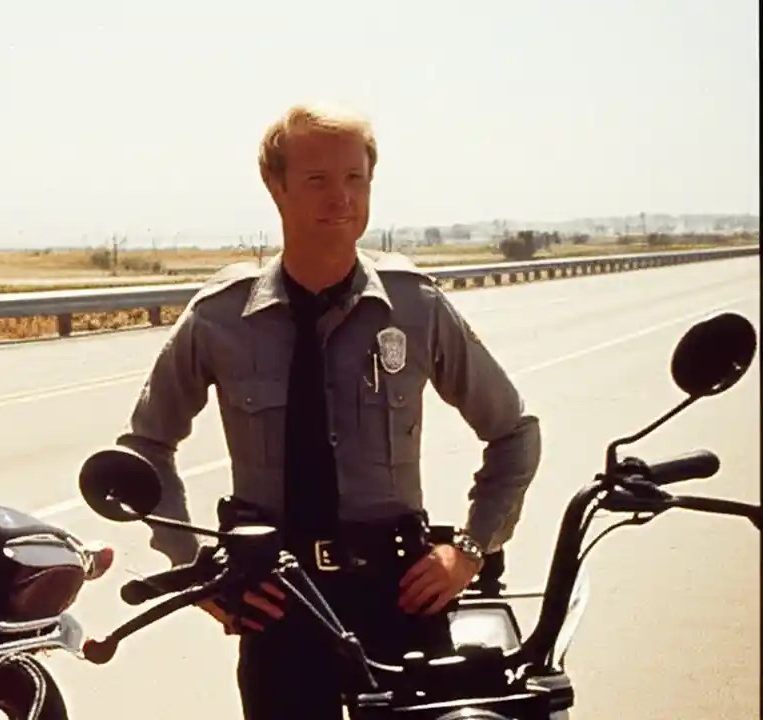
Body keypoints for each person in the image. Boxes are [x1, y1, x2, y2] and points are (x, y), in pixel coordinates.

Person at [112, 104, 541, 717]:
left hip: (400, 598)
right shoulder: (219, 318)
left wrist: (468, 550)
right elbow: (144, 449)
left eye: (355, 178)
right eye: (317, 179)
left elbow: (514, 432)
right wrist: (193, 568)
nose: (340, 197)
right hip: (276, 599)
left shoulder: (414, 308)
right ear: (276, 186)